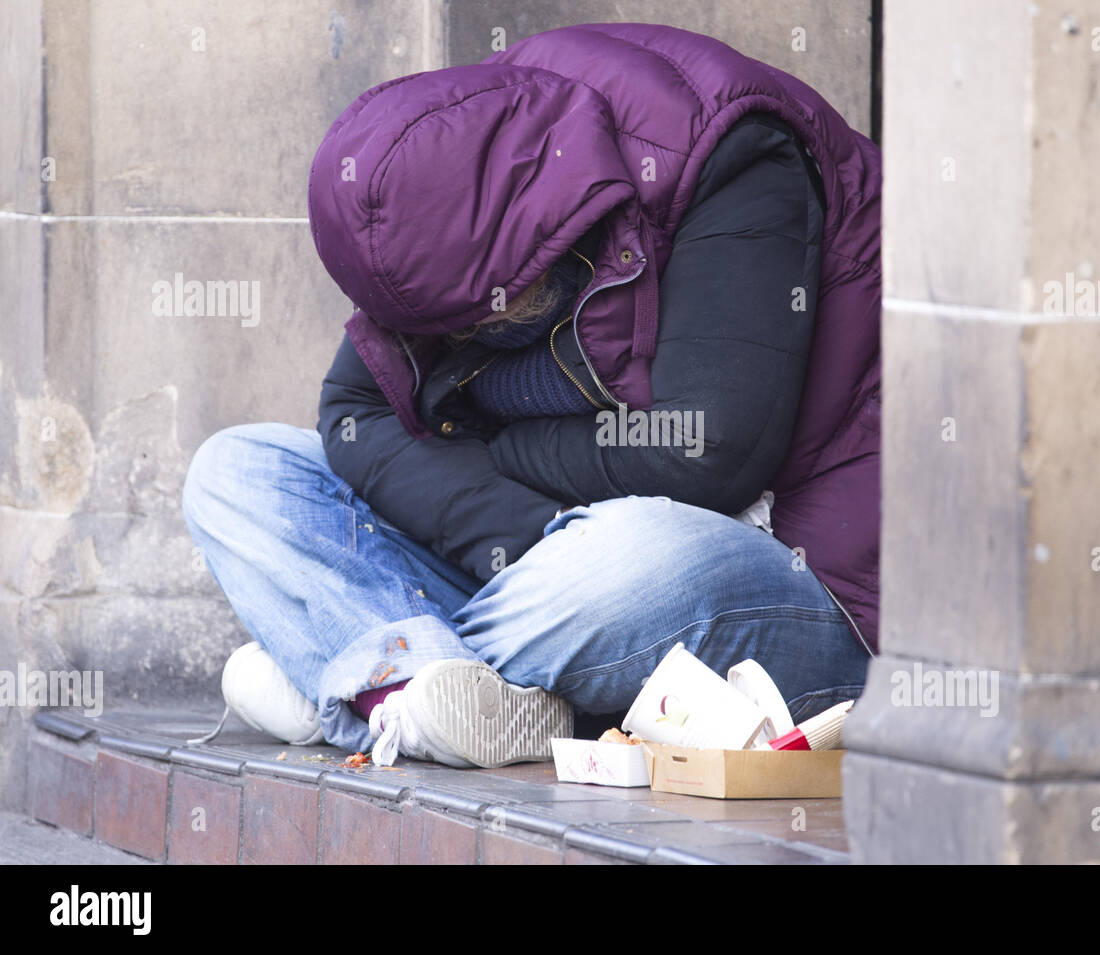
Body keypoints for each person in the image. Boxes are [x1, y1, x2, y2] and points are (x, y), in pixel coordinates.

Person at [182, 22, 881, 768]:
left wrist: (507, 472)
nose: (444, 338)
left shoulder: (731, 156)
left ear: (530, 245)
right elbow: (358, 414)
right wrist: (527, 530)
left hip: (791, 572)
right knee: (238, 472)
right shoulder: (435, 195)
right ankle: (408, 689)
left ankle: (360, 670)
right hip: (548, 548)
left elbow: (698, 450)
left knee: (611, 562)